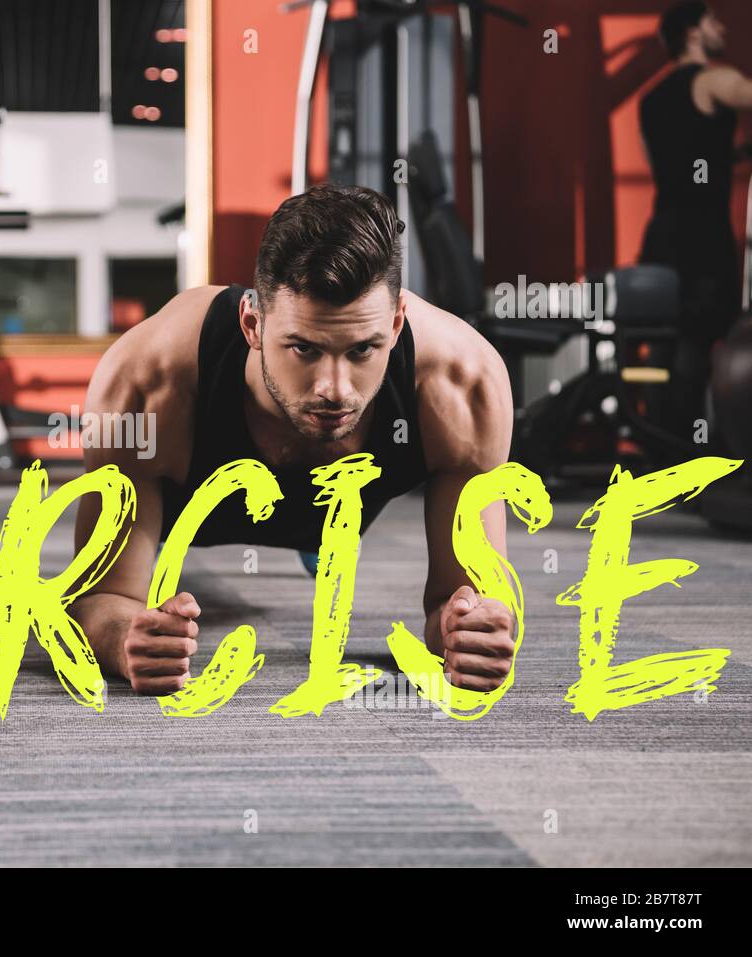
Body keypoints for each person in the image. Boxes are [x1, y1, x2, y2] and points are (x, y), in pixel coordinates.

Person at [70, 184, 516, 696]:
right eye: (304, 349)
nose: (335, 389)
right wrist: (127, 637)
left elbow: (458, 602)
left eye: (362, 350)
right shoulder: (148, 381)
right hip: (194, 504)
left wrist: (468, 632)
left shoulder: (463, 384)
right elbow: (101, 595)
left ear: (396, 326)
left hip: (343, 501)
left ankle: (318, 536)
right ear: (252, 323)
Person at [639, 1, 751, 431]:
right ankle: (689, 452)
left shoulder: (650, 101)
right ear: (692, 34)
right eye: (711, 21)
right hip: (704, 238)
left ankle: (662, 450)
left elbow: (672, 163)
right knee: (696, 346)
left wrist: (732, 155)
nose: (720, 28)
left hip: (663, 233)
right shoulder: (713, 78)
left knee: (664, 348)